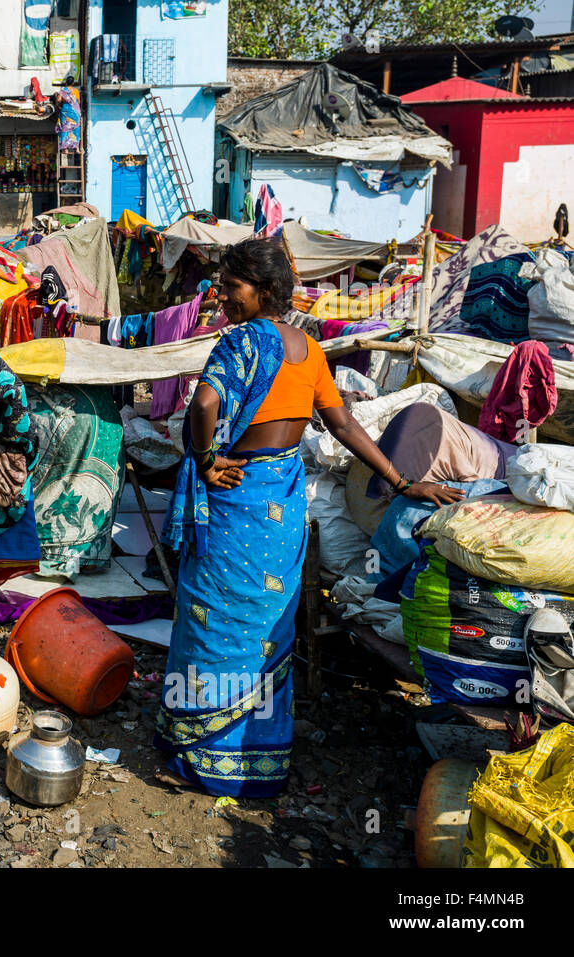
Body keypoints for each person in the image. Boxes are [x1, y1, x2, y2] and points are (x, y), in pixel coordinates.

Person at [154, 238, 464, 798]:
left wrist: (204, 459)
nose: (223, 297)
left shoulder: (242, 343)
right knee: (264, 630)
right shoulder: (310, 350)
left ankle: (200, 754)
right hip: (281, 507)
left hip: (238, 499)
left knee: (213, 619)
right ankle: (255, 760)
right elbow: (343, 426)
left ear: (265, 291)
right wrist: (399, 482)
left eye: (232, 287)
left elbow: (203, 405)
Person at [53, 76, 81, 152]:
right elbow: (78, 102)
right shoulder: (76, 91)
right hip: (76, 112)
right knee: (76, 128)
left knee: (65, 127)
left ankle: (65, 149)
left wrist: (60, 103)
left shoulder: (63, 90)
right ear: (73, 83)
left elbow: (58, 100)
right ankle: (77, 148)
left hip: (66, 111)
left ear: (66, 83)